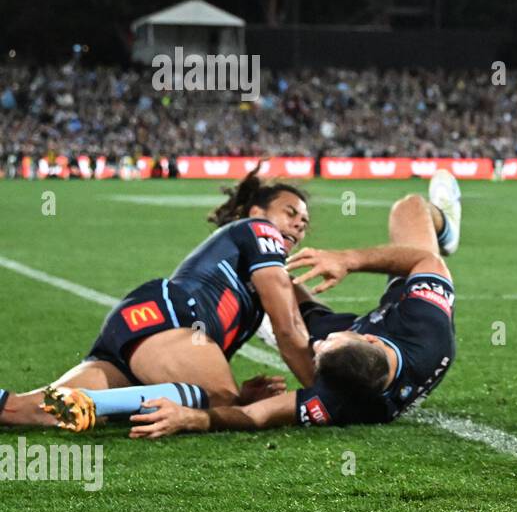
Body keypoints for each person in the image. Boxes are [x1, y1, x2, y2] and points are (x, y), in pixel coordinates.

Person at [121, 171, 462, 438]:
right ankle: (446, 226)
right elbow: (428, 264)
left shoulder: (336, 399)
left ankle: (269, 298)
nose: (318, 343)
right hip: (399, 320)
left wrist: (194, 418)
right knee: (409, 208)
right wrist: (348, 259)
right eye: (329, 340)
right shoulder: (425, 327)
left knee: (285, 310)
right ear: (369, 337)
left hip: (354, 365)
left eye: (319, 348)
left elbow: (257, 416)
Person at [0, 171, 316, 431]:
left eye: (305, 221)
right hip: (172, 319)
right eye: (290, 212)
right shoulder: (259, 230)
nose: (300, 223)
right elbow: (288, 331)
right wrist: (324, 395)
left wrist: (237, 397)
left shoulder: (250, 264)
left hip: (145, 321)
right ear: (257, 212)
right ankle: (99, 403)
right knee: (220, 400)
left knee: (30, 409)